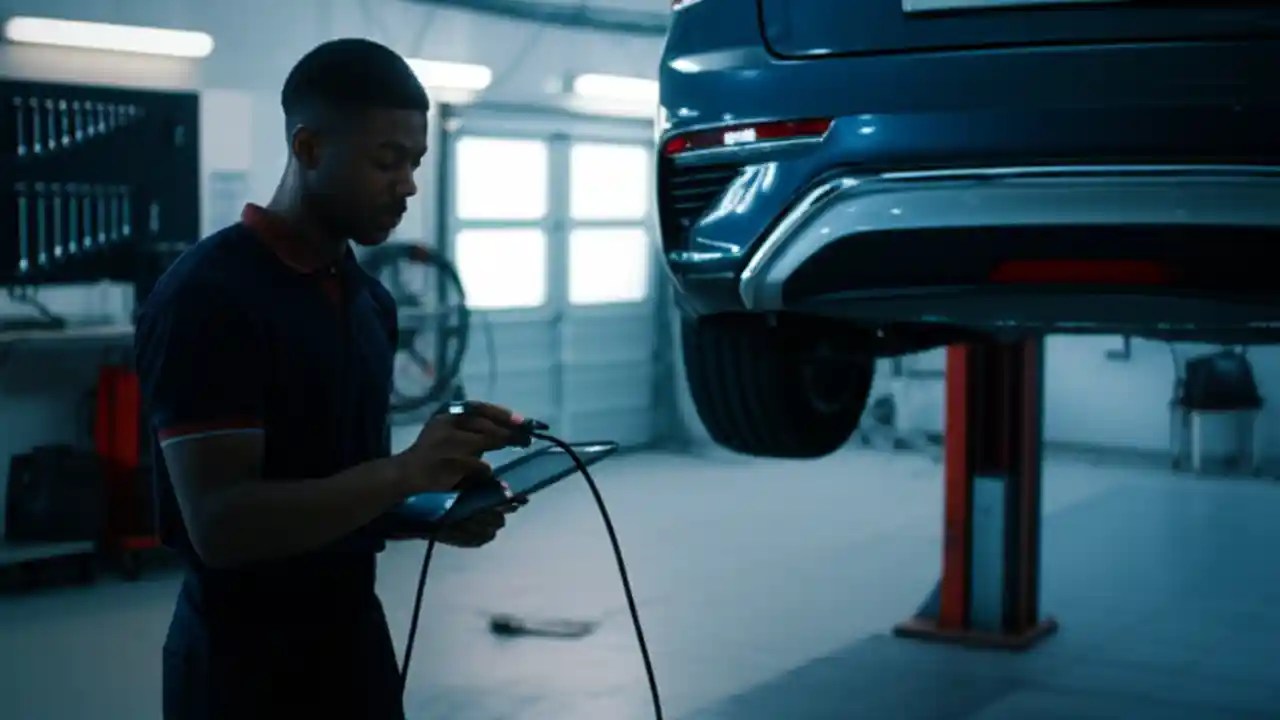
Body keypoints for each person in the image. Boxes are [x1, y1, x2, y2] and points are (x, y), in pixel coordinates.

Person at [134, 38, 520, 720]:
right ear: (309, 148)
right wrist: (404, 474)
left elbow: (344, 482)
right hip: (240, 669)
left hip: (353, 652)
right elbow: (223, 525)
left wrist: (433, 508)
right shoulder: (210, 296)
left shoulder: (369, 301)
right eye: (386, 161)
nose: (407, 184)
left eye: (416, 163)